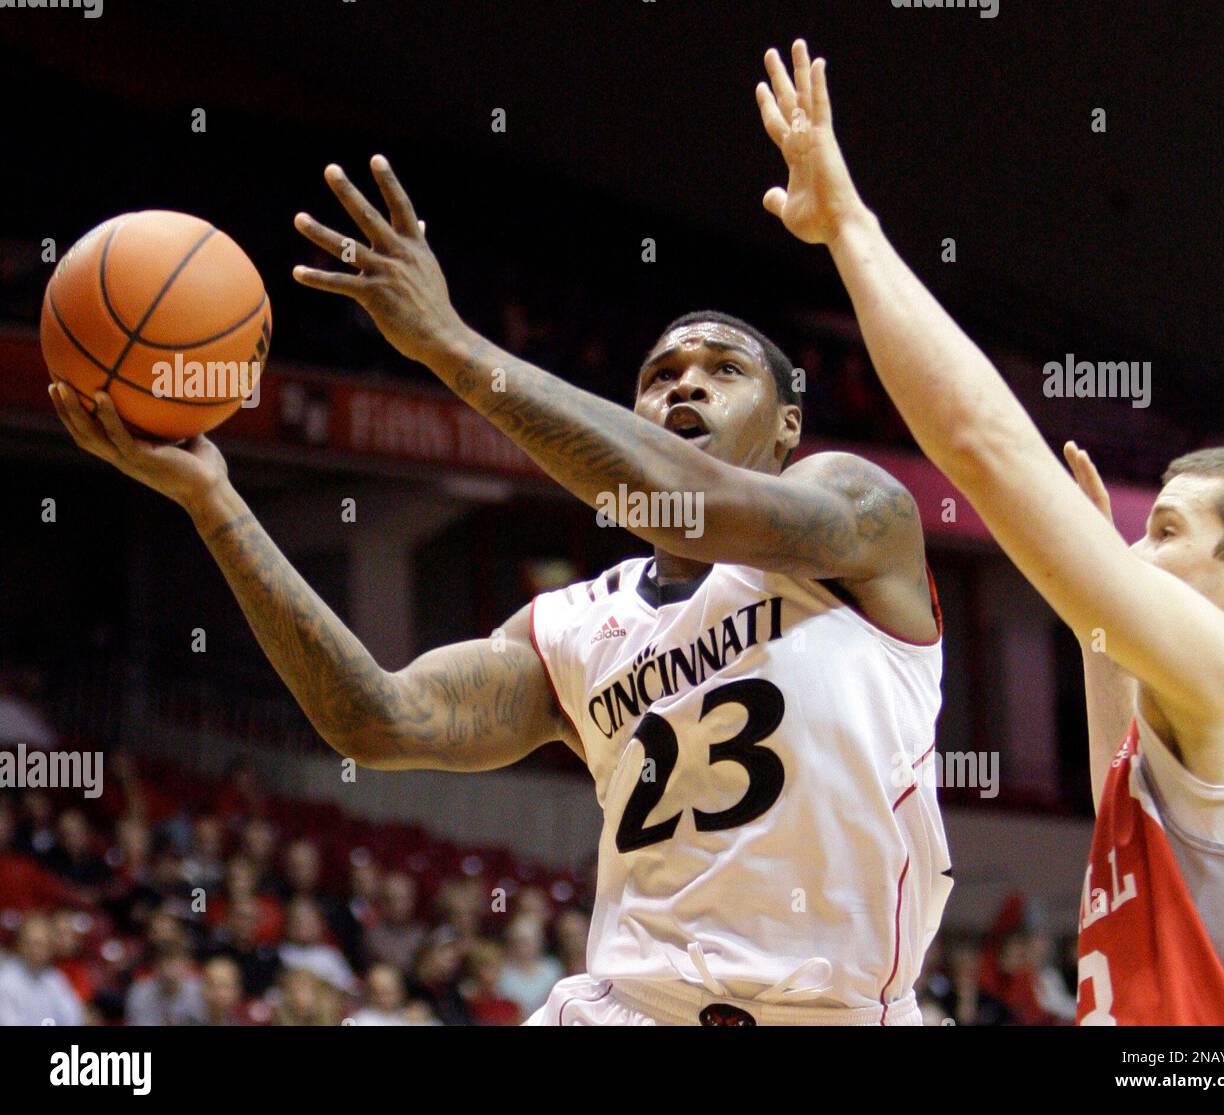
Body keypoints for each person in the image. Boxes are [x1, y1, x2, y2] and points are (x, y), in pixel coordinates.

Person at [46, 71, 950, 1031]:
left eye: (722, 370)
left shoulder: (855, 514)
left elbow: (687, 504)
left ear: (787, 426)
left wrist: (449, 344)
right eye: (660, 376)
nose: (684, 387)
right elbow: (378, 720)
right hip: (626, 1009)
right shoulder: (575, 630)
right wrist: (216, 502)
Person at [748, 39, 1224, 1023]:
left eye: (1166, 531)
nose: (1134, 556)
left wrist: (849, 228)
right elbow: (1116, 787)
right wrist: (1097, 613)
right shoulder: (1206, 739)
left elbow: (980, 444)